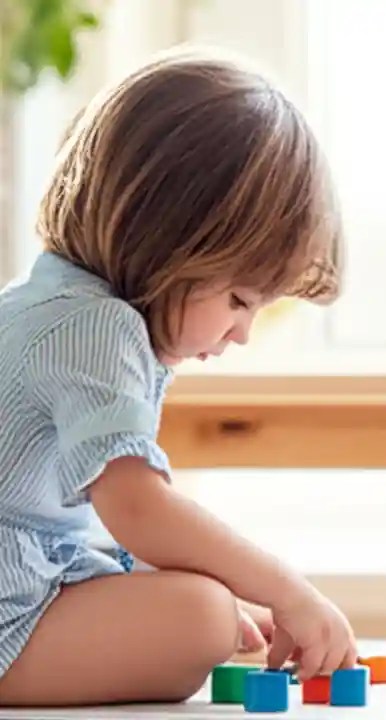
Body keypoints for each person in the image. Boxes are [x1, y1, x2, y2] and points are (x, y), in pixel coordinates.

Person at [0, 48, 356, 706]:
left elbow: (99, 522)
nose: (242, 333)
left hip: (25, 573)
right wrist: (286, 589)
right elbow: (140, 510)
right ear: (169, 243)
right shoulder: (97, 330)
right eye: (240, 301)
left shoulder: (45, 304)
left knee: (205, 615)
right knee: (201, 617)